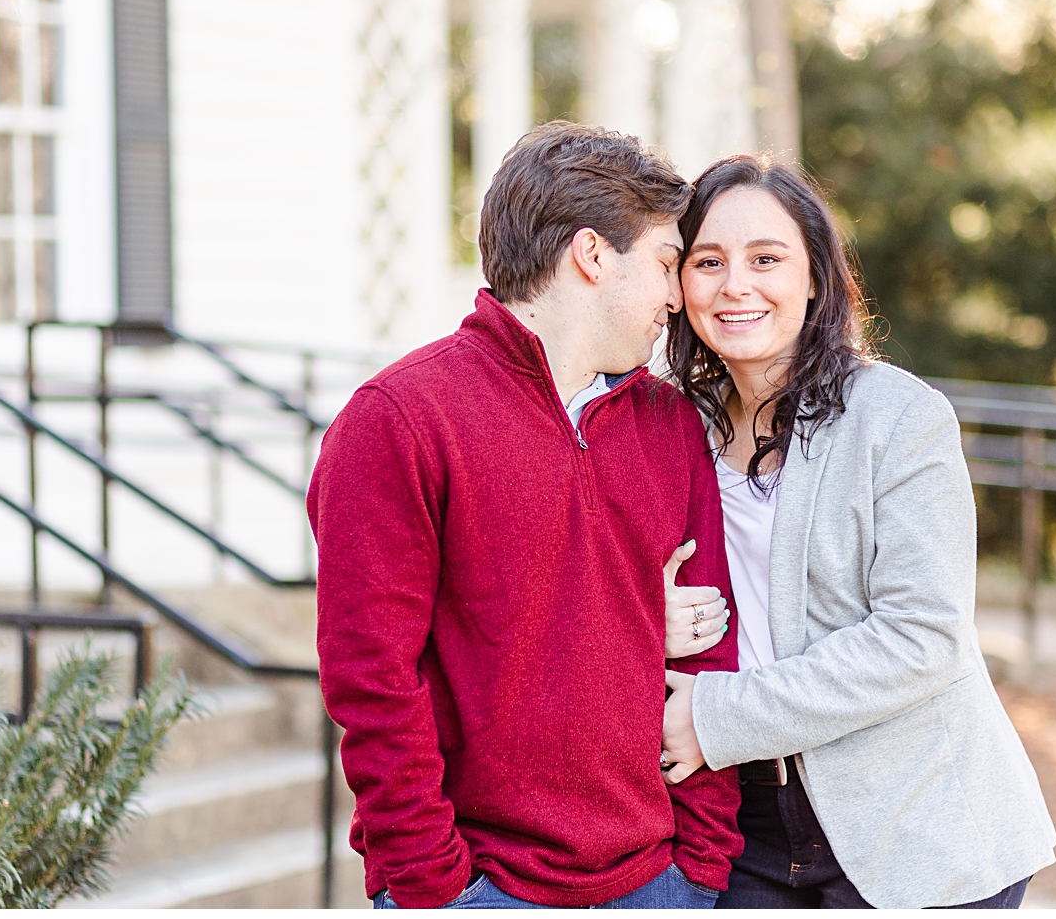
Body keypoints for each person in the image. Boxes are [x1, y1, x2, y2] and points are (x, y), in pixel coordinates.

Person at [309, 122, 743, 909]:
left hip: (660, 884)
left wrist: (701, 866)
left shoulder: (670, 426)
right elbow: (372, 682)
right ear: (591, 255)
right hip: (480, 889)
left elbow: (712, 655)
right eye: (666, 263)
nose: (678, 298)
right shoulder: (400, 420)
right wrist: (432, 887)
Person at [656, 155, 1056, 909]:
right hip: (743, 829)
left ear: (814, 278)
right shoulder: (674, 427)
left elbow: (920, 637)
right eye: (708, 261)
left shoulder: (900, 418)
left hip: (917, 823)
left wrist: (715, 716)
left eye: (765, 258)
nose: (734, 284)